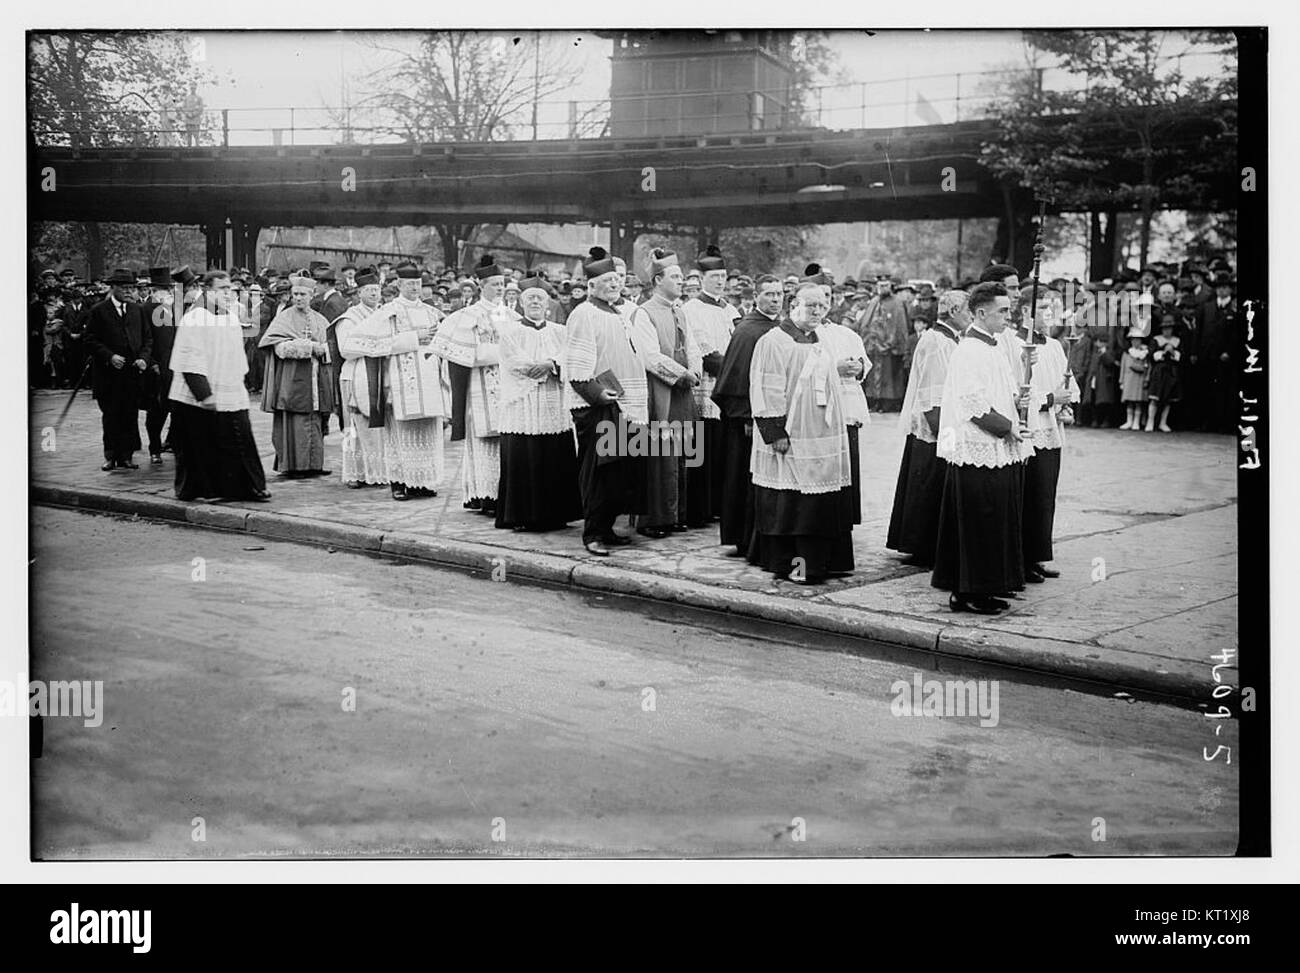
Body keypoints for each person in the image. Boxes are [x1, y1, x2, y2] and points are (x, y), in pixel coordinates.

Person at [931, 282, 1033, 614]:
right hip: (978, 445)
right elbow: (972, 403)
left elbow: (995, 391)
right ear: (980, 312)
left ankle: (987, 586)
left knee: (994, 520)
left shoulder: (992, 346)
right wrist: (1007, 429)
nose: (1009, 315)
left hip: (996, 446)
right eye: (1003, 310)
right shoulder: (969, 350)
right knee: (979, 521)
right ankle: (968, 592)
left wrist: (1017, 401)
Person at [747, 283, 855, 584]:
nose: (817, 311)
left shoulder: (821, 340)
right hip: (790, 435)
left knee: (819, 504)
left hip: (822, 434)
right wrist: (775, 431)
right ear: (794, 305)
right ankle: (795, 566)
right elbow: (765, 388)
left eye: (822, 305)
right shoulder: (775, 341)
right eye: (811, 306)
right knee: (793, 505)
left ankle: (824, 564)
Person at [563, 246, 648, 556]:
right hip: (599, 406)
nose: (614, 284)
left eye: (617, 280)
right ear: (591, 285)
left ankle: (607, 528)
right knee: (599, 472)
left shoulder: (620, 313)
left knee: (620, 472)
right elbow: (576, 367)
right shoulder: (584, 314)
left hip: (626, 402)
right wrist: (599, 394)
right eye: (607, 280)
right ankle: (593, 533)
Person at [168, 270, 270, 502]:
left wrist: (238, 385)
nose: (228, 293)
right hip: (199, 394)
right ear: (207, 290)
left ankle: (249, 487)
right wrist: (204, 394)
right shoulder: (194, 318)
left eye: (230, 289)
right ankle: (208, 490)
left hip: (230, 390)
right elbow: (189, 360)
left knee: (240, 437)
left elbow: (235, 356)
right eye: (222, 289)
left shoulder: (231, 318)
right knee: (202, 444)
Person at [1000, 286, 1077, 582]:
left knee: (1044, 495)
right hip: (1029, 429)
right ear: (1025, 314)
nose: (1051, 314)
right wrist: (1049, 400)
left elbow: (1065, 384)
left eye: (1053, 308)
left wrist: (1066, 405)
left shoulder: (1055, 347)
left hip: (1050, 430)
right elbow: (1016, 390)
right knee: (1026, 496)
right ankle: (1019, 559)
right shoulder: (1014, 346)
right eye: (1044, 308)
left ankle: (1036, 555)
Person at [887, 289, 968, 567]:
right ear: (955, 311)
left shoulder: (952, 339)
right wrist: (944, 434)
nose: (971, 316)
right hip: (934, 426)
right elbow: (932, 394)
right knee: (928, 485)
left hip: (944, 423)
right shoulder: (936, 341)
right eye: (969, 310)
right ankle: (922, 546)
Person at [494, 277, 580, 532]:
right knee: (525, 455)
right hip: (523, 403)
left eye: (539, 298)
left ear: (547, 304)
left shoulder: (559, 331)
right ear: (520, 303)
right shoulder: (510, 331)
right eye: (529, 297)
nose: (534, 302)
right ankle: (523, 516)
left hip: (553, 403)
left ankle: (557, 514)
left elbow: (569, 355)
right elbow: (515, 362)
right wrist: (546, 366)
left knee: (554, 454)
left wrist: (552, 364)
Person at [355, 261, 446, 501]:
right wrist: (414, 337)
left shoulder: (431, 311)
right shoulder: (389, 311)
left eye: (417, 283)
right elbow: (370, 343)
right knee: (400, 435)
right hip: (399, 380)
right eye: (409, 283)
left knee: (426, 433)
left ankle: (422, 482)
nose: (415, 288)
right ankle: (399, 483)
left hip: (427, 380)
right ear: (398, 284)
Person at [627, 248, 701, 538]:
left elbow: (692, 346)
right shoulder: (643, 312)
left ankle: (675, 514)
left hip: (683, 390)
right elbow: (649, 356)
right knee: (659, 455)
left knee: (682, 453)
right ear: (658, 280)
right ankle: (653, 519)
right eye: (675, 276)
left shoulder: (680, 310)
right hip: (660, 389)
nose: (681, 281)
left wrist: (694, 369)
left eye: (681, 276)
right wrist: (680, 375)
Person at [433, 254, 515, 516]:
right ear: (482, 286)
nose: (500, 289)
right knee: (483, 444)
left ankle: (503, 493)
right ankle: (484, 495)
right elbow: (464, 354)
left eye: (503, 284)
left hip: (507, 387)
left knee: (506, 442)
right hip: (479, 387)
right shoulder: (466, 316)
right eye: (495, 284)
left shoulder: (511, 315)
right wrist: (501, 352)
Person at [712, 274, 784, 556]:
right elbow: (736, 380)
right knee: (743, 478)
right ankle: (744, 538)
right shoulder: (748, 331)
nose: (775, 299)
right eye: (769, 294)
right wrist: (745, 418)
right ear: (756, 297)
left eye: (779, 294)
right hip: (747, 420)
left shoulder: (774, 327)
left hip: (763, 417)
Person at [680, 244, 737, 528]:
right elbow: (706, 353)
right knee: (702, 446)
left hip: (730, 386)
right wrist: (736, 370)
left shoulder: (732, 309)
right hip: (707, 386)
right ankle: (697, 509)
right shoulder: (692, 309)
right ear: (701, 278)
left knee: (723, 448)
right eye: (714, 276)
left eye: (724, 276)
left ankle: (719, 506)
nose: (720, 281)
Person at [258, 276, 335, 477]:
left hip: (317, 378)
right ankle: (294, 466)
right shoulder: (284, 317)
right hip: (292, 378)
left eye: (302, 294)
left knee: (315, 419)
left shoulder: (320, 319)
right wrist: (309, 347)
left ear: (312, 295)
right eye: (295, 295)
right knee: (295, 421)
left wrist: (323, 349)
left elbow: (333, 346)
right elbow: (278, 348)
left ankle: (314, 465)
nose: (298, 298)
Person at [83, 269, 153, 471]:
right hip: (108, 375)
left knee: (130, 414)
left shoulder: (136, 310)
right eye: (124, 288)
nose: (129, 291)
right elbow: (90, 340)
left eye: (132, 288)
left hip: (131, 374)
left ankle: (127, 456)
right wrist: (109, 356)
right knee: (111, 414)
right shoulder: (99, 310)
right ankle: (111, 455)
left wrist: (143, 358)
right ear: (113, 288)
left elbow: (147, 338)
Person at [333, 267, 391, 488]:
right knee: (354, 427)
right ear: (359, 293)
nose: (374, 294)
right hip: (354, 374)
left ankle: (377, 472)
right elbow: (346, 349)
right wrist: (376, 346)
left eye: (376, 289)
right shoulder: (349, 318)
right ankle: (355, 473)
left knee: (378, 427)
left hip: (379, 374)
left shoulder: (385, 313)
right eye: (369, 290)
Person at [854, 273, 910, 412]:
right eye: (880, 286)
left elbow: (900, 325)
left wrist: (890, 343)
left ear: (890, 286)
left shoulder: (897, 302)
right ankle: (875, 402)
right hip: (873, 345)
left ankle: (887, 403)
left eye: (885, 285)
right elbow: (866, 322)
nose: (883, 288)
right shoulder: (874, 301)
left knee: (888, 377)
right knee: (873, 376)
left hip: (889, 346)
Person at [142, 267, 177, 464]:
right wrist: (152, 363)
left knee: (176, 407)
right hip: (156, 368)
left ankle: (171, 442)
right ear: (154, 291)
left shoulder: (174, 308)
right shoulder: (145, 310)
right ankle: (154, 448)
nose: (169, 293)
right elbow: (143, 339)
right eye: (165, 289)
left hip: (174, 366)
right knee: (156, 410)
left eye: (170, 289)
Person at [312, 265, 350, 435]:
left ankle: (340, 426)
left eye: (317, 283)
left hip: (333, 352)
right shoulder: (335, 299)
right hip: (336, 351)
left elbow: (327, 329)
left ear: (325, 284)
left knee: (332, 390)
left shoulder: (332, 303)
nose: (316, 287)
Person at [1146, 313, 1183, 433]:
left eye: (1170, 328)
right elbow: (1152, 356)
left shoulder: (1177, 341)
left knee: (1168, 399)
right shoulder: (1156, 340)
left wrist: (1172, 352)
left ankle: (1163, 422)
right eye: (1165, 328)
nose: (1167, 331)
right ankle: (1150, 422)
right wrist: (1163, 352)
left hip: (1171, 370)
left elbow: (1180, 356)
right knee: (1154, 397)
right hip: (1159, 370)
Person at [1118, 329, 1151, 431]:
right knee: (1129, 401)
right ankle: (1129, 421)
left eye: (1138, 340)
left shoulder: (1144, 353)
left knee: (1138, 401)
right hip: (1129, 379)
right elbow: (1123, 367)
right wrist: (1121, 381)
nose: (1135, 342)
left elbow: (1148, 367)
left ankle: (1136, 422)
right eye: (1133, 340)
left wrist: (1147, 378)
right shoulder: (1127, 353)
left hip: (1139, 379)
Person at [181, 82, 203, 147]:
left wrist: (194, 114)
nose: (193, 89)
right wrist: (187, 113)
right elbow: (183, 107)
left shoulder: (199, 98)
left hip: (196, 119)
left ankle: (197, 146)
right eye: (191, 88)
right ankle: (189, 147)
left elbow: (201, 108)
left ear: (196, 88)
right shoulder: (187, 98)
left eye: (194, 88)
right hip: (188, 119)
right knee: (189, 135)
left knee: (196, 135)